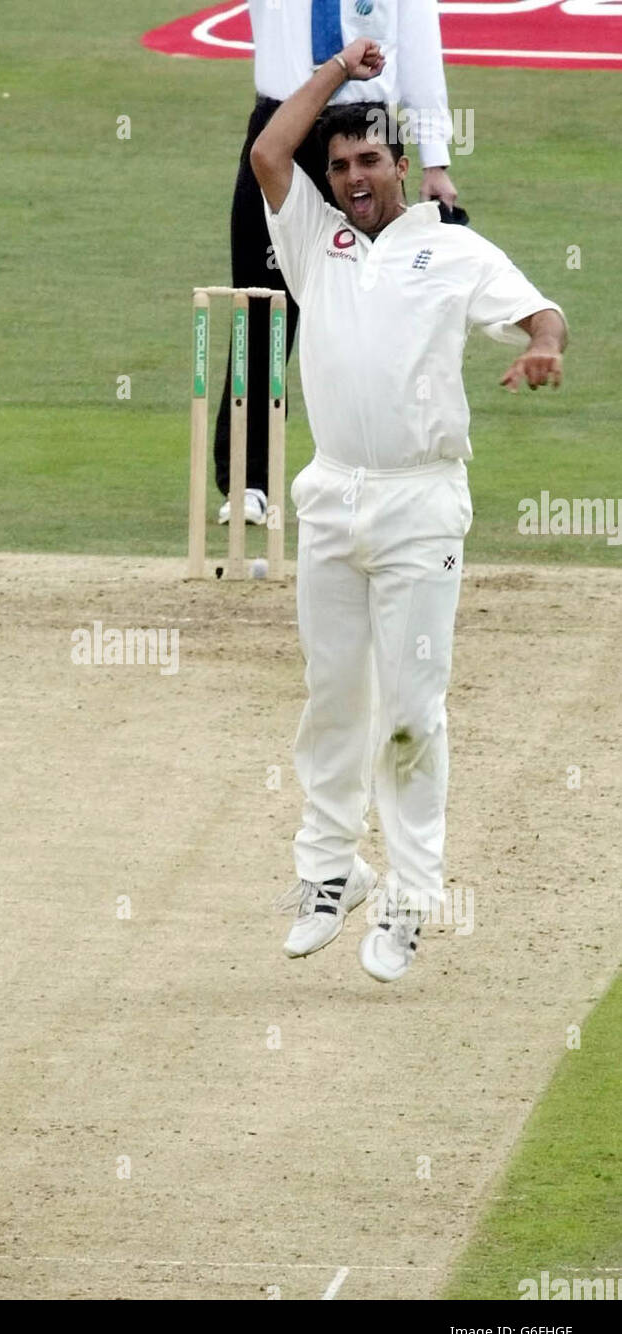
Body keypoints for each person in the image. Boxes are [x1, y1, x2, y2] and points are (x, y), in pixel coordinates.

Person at [251, 41, 566, 982]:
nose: (352, 178)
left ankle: (412, 895)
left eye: (368, 162)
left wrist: (546, 348)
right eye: (340, 165)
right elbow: (270, 156)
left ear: (400, 166)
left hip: (422, 504)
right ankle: (330, 871)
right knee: (333, 694)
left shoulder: (452, 246)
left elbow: (541, 312)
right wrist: (337, 78)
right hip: (334, 495)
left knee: (412, 713)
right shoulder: (315, 241)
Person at [215, 0, 459, 526]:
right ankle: (246, 479)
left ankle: (391, 465)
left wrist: (435, 158)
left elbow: (420, 47)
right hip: (284, 125)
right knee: (262, 306)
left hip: (367, 132)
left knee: (381, 305)